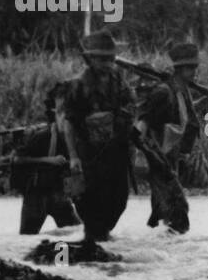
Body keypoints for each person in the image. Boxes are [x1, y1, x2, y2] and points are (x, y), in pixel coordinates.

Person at [60, 30, 138, 244]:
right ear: (90, 59)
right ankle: (92, 243)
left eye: (110, 58)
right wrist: (73, 156)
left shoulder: (118, 80)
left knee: (119, 200)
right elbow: (69, 123)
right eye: (101, 58)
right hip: (89, 153)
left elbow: (131, 105)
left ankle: (101, 238)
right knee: (90, 203)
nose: (107, 63)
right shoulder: (78, 85)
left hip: (116, 151)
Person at [135, 42, 201, 234]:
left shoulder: (182, 90)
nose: (193, 72)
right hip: (158, 157)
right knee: (178, 212)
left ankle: (153, 242)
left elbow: (191, 120)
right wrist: (140, 152)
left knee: (160, 209)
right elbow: (144, 119)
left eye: (195, 67)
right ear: (179, 69)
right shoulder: (164, 91)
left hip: (172, 157)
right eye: (189, 68)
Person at [9, 81, 81, 235]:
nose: (66, 121)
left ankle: (63, 258)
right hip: (36, 196)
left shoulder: (76, 141)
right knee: (27, 238)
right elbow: (17, 160)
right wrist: (48, 160)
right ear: (55, 115)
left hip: (59, 195)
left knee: (77, 233)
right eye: (62, 116)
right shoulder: (42, 136)